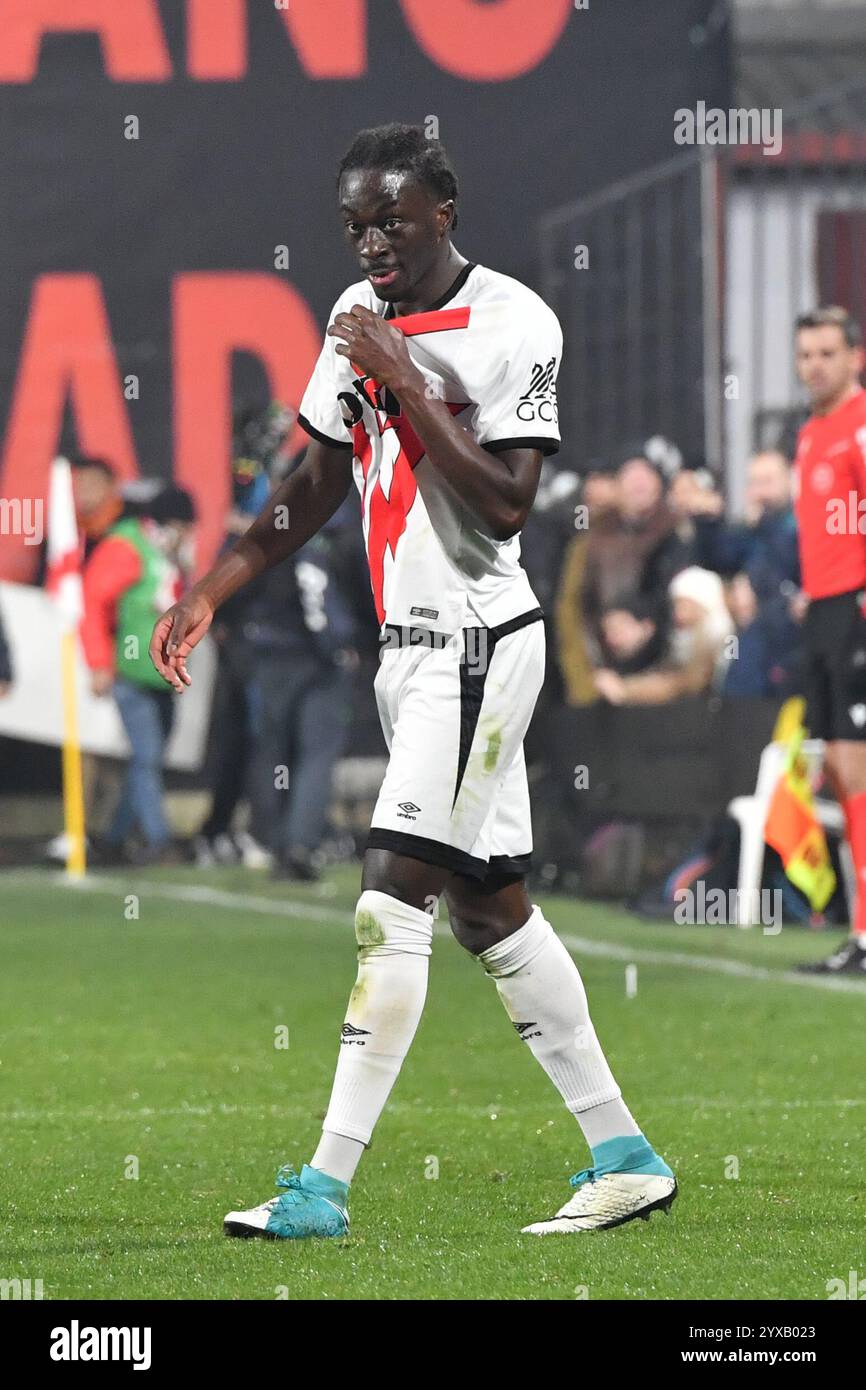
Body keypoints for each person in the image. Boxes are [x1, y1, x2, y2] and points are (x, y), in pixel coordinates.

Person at [150, 123, 676, 1239]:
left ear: (443, 208)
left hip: (480, 642)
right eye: (353, 225)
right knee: (490, 912)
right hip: (411, 654)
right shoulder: (352, 315)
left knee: (390, 902)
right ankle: (623, 1154)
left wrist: (404, 378)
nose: (371, 241)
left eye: (389, 218)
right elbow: (319, 473)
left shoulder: (513, 320)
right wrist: (217, 583)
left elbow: (504, 501)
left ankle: (321, 1186)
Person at [787, 307, 866, 975]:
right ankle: (861, 934)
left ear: (855, 358)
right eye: (806, 353)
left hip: (857, 611)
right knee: (842, 774)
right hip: (827, 612)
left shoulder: (860, 427)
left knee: (859, 769)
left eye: (827, 353)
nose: (814, 365)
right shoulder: (811, 431)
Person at [82, 485, 196, 864]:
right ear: (167, 523)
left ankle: (113, 840)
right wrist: (99, 663)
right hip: (131, 671)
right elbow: (93, 604)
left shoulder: (172, 554)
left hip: (164, 674)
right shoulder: (127, 546)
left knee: (148, 761)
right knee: (147, 758)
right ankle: (159, 840)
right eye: (183, 525)